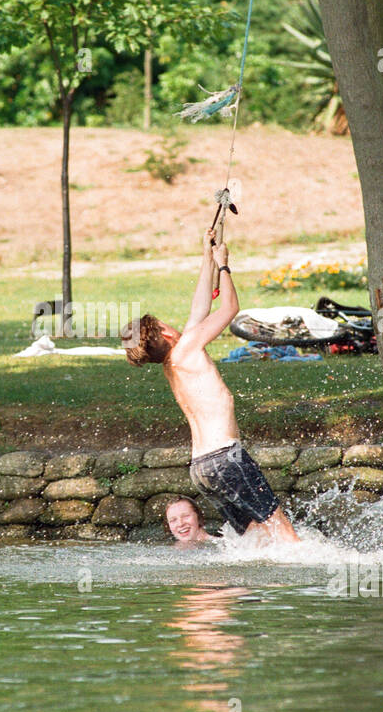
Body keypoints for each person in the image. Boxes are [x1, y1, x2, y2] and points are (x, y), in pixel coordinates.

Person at [122, 229, 300, 545]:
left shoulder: (173, 362)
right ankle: (313, 575)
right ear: (164, 334)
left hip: (202, 469)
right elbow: (229, 308)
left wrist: (208, 255)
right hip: (227, 459)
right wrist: (225, 267)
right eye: (164, 323)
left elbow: (199, 308)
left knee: (255, 540)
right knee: (280, 528)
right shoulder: (186, 347)